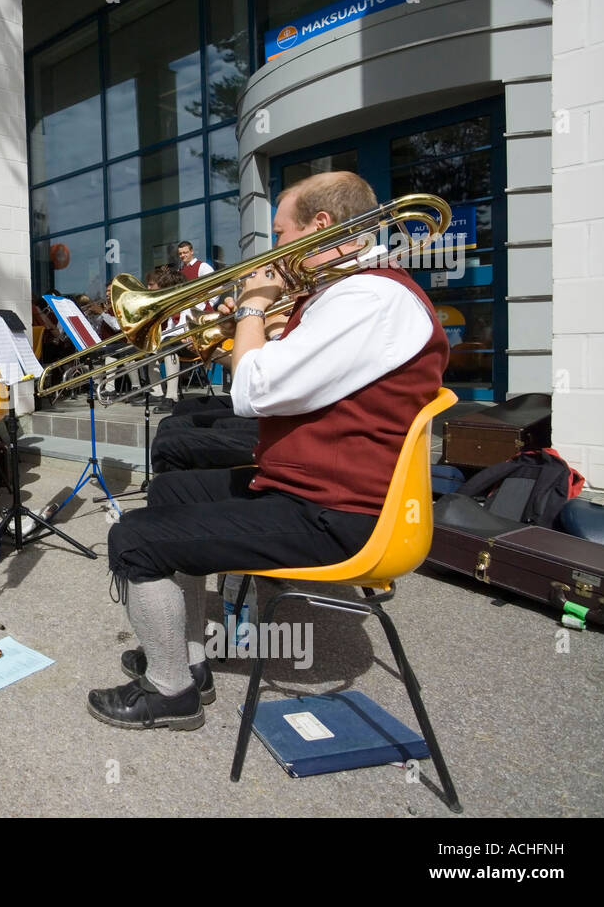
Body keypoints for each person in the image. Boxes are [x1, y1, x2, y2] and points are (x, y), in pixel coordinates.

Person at [88, 171, 449, 731]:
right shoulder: (353, 290)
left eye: (281, 233)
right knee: (168, 490)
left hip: (337, 514)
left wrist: (252, 308)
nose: (274, 249)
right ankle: (186, 658)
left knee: (132, 539)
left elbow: (253, 392)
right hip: (309, 486)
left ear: (322, 227)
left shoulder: (369, 297)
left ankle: (171, 692)